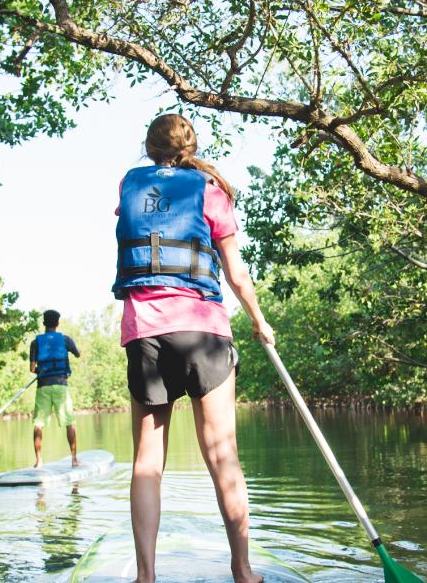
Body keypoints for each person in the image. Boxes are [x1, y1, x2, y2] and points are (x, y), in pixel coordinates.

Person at [113, 113, 274, 583]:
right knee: (223, 455)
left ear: (148, 147)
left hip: (145, 333)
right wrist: (260, 322)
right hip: (204, 332)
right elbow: (237, 274)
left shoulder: (129, 184)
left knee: (147, 461)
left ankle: (146, 577)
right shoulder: (211, 190)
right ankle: (243, 571)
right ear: (191, 145)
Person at [30, 309, 81, 468]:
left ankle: (39, 461)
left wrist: (41, 370)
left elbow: (32, 368)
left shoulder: (35, 342)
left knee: (38, 424)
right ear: (57, 323)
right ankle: (74, 459)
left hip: (43, 386)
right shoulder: (65, 340)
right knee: (69, 423)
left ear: (44, 323)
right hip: (60, 385)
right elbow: (77, 354)